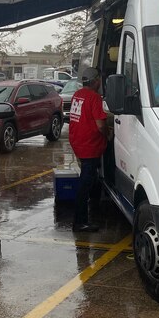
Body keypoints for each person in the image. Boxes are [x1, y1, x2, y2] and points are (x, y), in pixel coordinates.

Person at [67, 66, 108, 232]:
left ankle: (91, 210)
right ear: (96, 81)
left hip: (78, 143)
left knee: (89, 181)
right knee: (85, 184)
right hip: (89, 146)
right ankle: (80, 222)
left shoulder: (78, 95)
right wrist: (108, 134)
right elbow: (100, 125)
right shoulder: (94, 98)